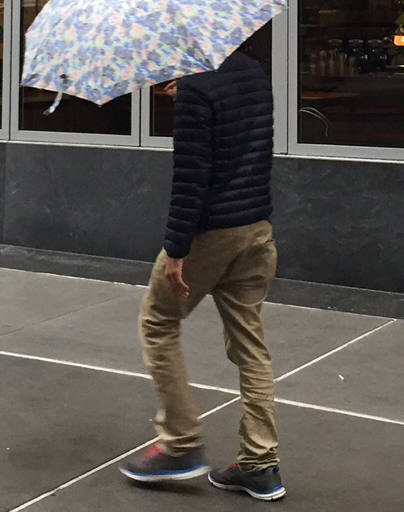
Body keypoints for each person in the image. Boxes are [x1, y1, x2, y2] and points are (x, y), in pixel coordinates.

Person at [119, 42, 284, 502]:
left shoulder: (197, 89)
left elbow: (191, 177)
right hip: (256, 229)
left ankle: (180, 443)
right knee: (250, 343)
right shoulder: (252, 72)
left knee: (157, 321)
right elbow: (235, 135)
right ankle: (260, 463)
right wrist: (188, 96)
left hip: (212, 233)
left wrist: (176, 250)